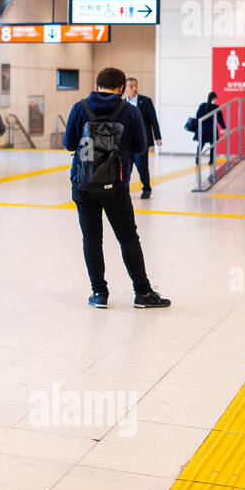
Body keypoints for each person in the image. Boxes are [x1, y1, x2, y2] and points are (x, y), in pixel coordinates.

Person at [63, 67, 170, 310]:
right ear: (121, 89)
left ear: (96, 85)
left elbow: (68, 143)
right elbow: (142, 147)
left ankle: (99, 293)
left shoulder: (80, 108)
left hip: (83, 185)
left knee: (91, 239)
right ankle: (142, 293)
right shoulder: (130, 111)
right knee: (128, 238)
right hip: (116, 186)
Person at [125, 77, 162, 199]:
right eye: (131, 86)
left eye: (136, 86)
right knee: (126, 167)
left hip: (141, 140)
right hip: (125, 142)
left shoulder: (145, 101)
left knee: (142, 166)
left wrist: (158, 137)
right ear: (125, 88)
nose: (134, 88)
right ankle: (124, 189)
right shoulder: (122, 103)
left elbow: (153, 120)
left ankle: (146, 188)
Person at [193, 91, 226, 179]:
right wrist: (224, 127)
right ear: (214, 98)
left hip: (203, 129)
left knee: (200, 145)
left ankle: (197, 159)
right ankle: (211, 161)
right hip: (212, 129)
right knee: (212, 145)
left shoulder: (202, 105)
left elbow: (197, 116)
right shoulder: (216, 107)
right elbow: (220, 119)